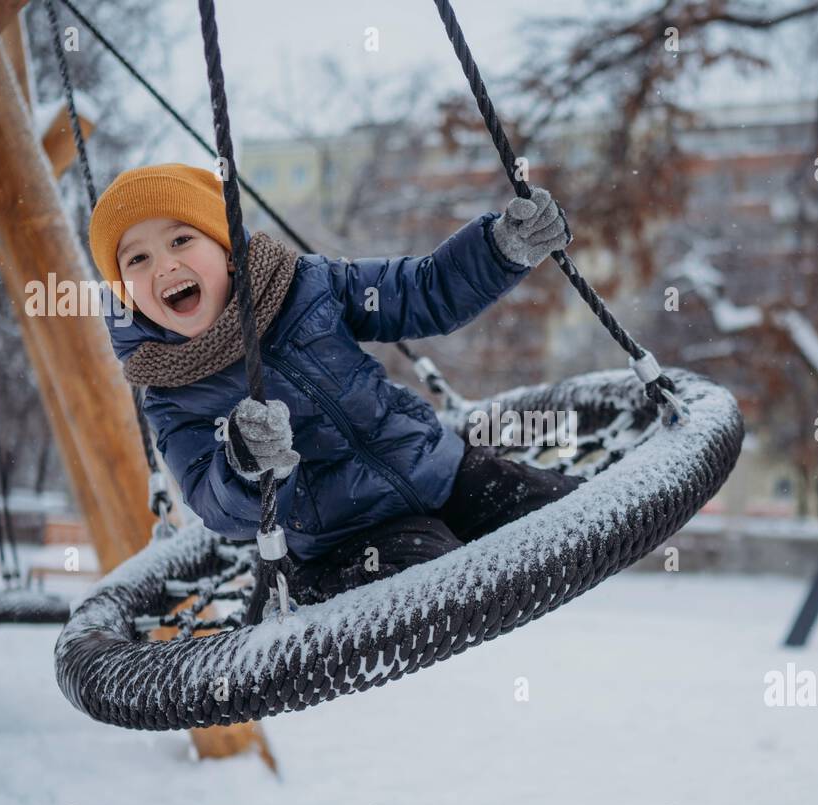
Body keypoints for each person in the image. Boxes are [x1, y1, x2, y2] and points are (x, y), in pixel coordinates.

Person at [88, 163, 583, 604]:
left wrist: (497, 251)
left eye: (180, 240)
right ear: (124, 293)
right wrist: (247, 467)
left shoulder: (305, 285)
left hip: (442, 469)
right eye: (137, 260)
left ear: (228, 249)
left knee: (564, 513)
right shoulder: (170, 390)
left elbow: (418, 292)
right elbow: (214, 502)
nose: (165, 266)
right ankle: (311, 589)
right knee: (430, 579)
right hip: (347, 536)